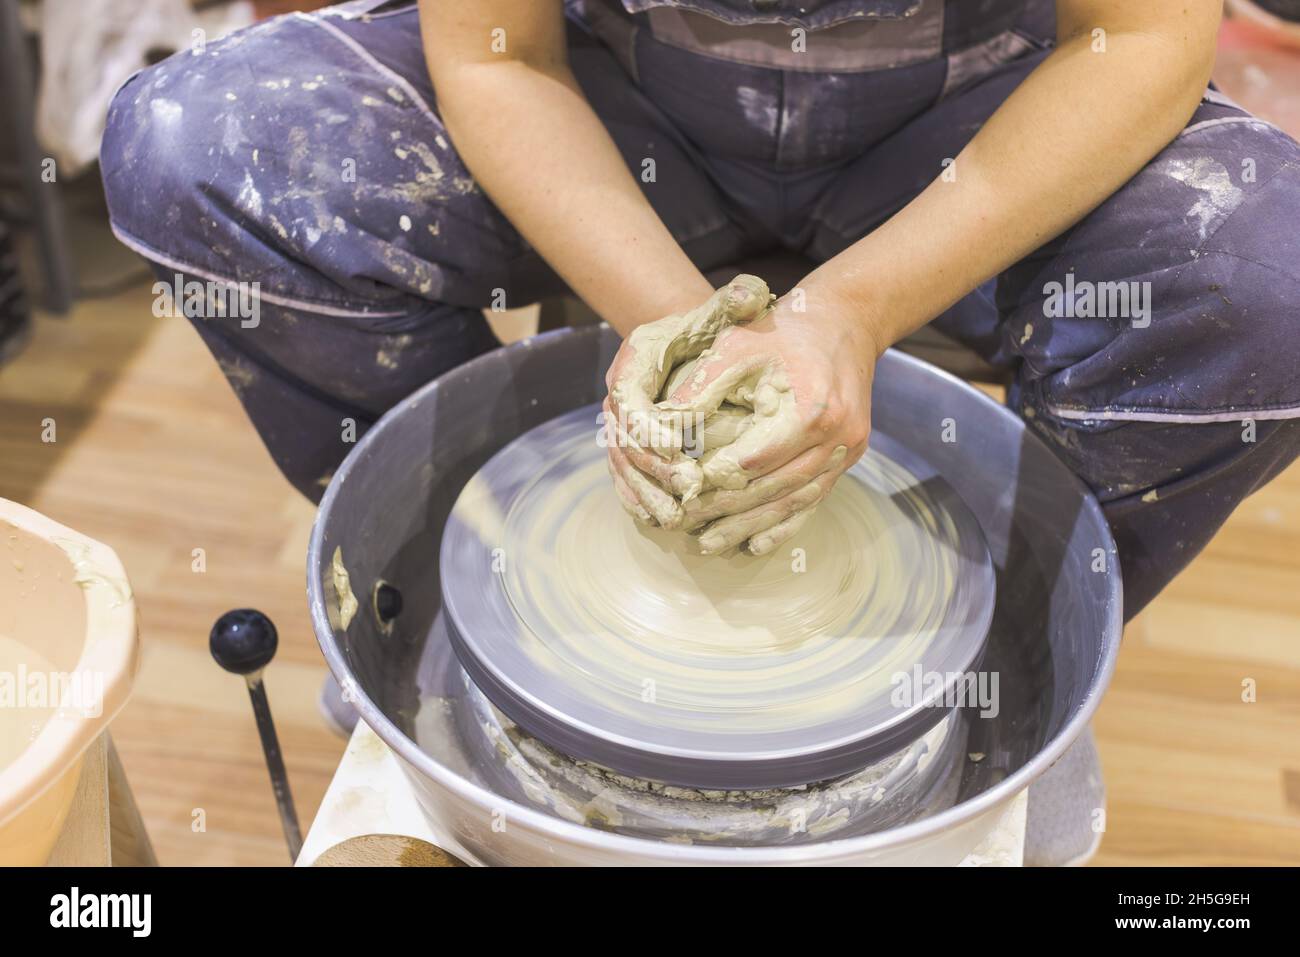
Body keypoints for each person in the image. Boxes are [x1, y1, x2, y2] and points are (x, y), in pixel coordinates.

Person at [100, 0, 1300, 620]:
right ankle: (477, 589)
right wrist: (681, 326)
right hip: (615, 105)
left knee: (1271, 280)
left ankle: (979, 648)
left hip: (968, 123)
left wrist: (850, 313)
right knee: (206, 148)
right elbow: (501, 54)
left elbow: (1135, 37)